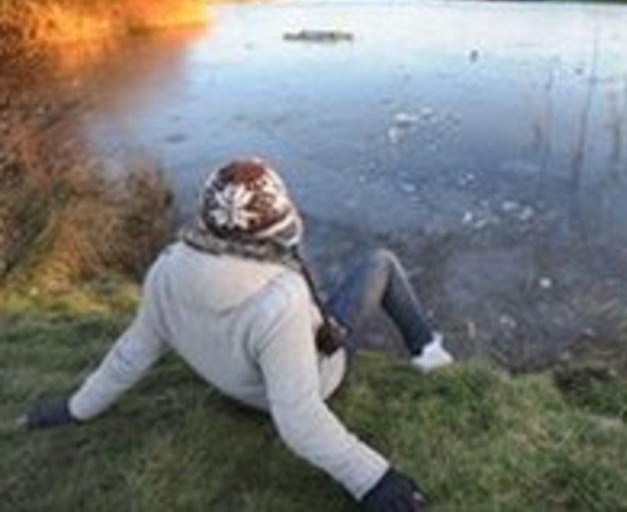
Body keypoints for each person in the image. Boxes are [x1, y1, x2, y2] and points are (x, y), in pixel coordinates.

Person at [20, 157, 454, 511]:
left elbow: (130, 356)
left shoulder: (167, 269)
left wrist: (76, 408)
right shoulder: (281, 297)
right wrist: (373, 480)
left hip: (234, 382)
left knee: (310, 280)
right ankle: (428, 352)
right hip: (305, 380)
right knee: (380, 263)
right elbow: (299, 420)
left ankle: (417, 347)